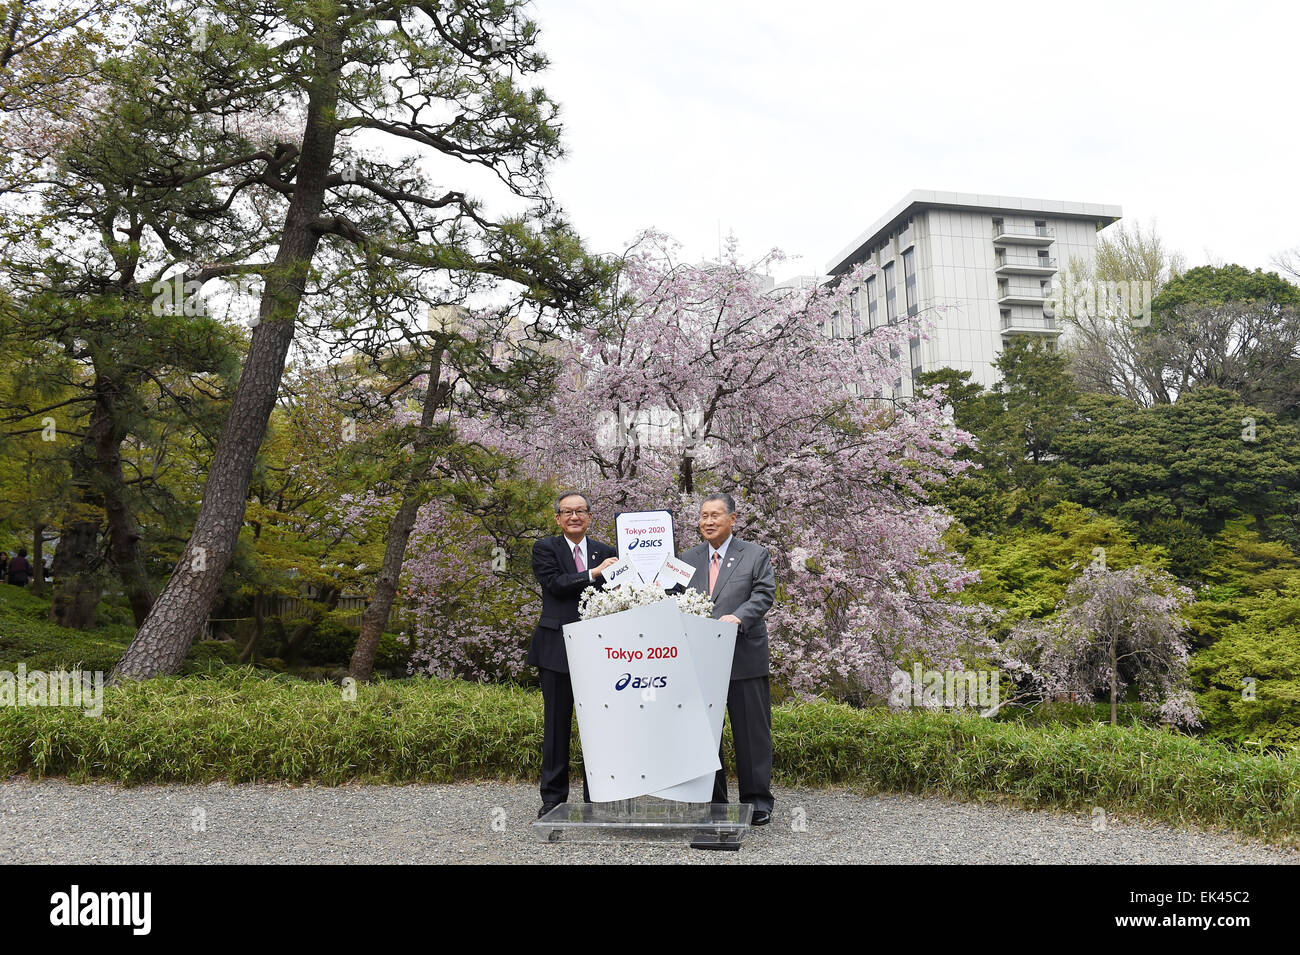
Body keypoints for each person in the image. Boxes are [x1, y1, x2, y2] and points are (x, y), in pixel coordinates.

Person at [681, 492, 777, 826]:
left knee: (752, 733)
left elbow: (764, 594)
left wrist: (739, 617)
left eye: (715, 515)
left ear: (733, 519)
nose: (708, 522)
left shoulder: (755, 555)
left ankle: (757, 802)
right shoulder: (685, 558)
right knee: (706, 734)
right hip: (700, 660)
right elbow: (668, 598)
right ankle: (715, 802)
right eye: (704, 516)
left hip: (743, 656)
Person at [529, 491, 619, 818]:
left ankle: (598, 796)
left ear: (590, 516)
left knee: (598, 725)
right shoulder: (545, 548)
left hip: (598, 649)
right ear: (558, 518)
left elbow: (618, 593)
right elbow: (556, 585)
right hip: (556, 648)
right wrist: (595, 573)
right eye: (567, 512)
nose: (574, 516)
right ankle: (553, 798)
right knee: (556, 724)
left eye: (581, 511)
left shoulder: (607, 552)